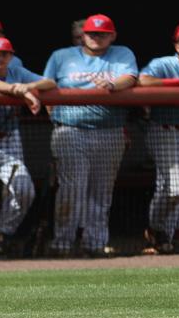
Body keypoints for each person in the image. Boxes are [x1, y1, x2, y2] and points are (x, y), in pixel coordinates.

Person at [42, 14, 137, 257]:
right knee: (72, 189)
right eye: (92, 33)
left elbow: (130, 77)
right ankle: (63, 243)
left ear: (112, 35)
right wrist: (57, 122)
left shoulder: (122, 53)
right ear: (83, 35)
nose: (96, 37)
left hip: (109, 130)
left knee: (101, 191)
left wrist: (113, 86)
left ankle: (94, 244)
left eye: (102, 33)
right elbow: (47, 87)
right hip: (71, 130)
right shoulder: (61, 56)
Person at [0, 37, 55, 256]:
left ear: (11, 56)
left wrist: (29, 86)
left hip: (9, 138)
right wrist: (19, 91)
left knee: (24, 189)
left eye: (4, 53)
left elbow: (50, 83)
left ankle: (2, 233)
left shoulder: (18, 71)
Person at [138, 22, 179, 254]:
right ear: (177, 46)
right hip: (166, 129)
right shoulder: (164, 64)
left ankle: (168, 238)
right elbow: (143, 81)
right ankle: (157, 228)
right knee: (175, 187)